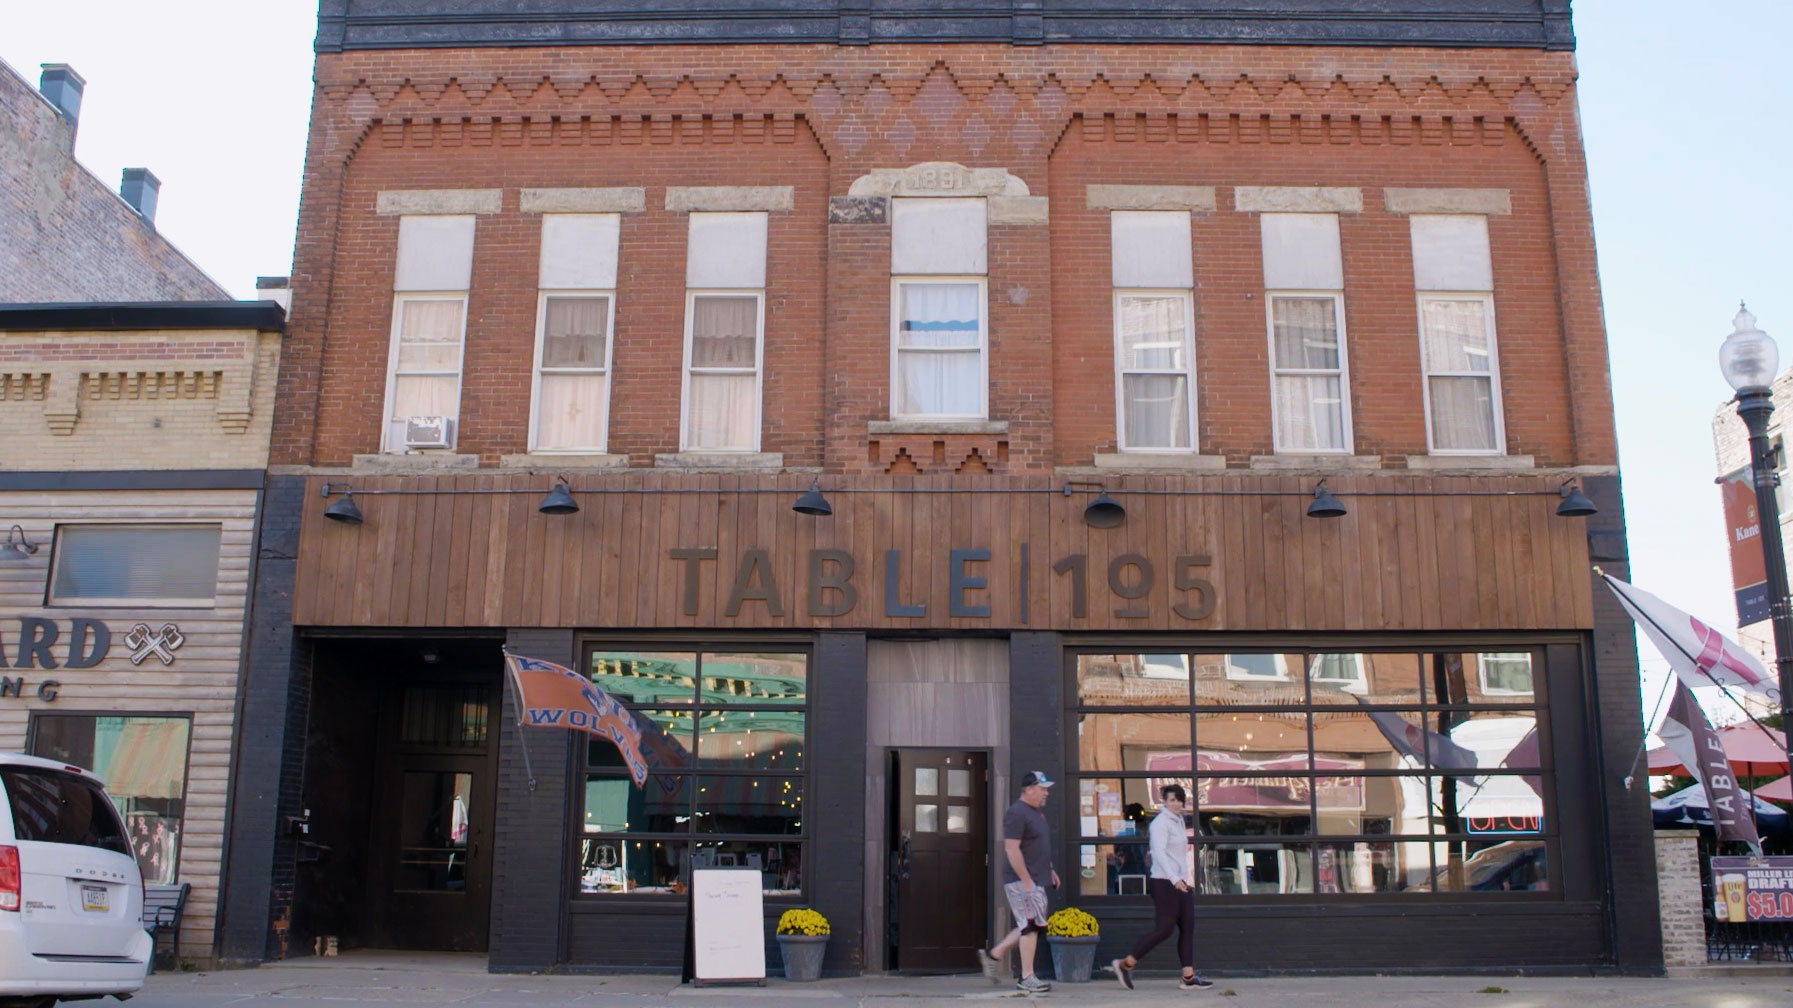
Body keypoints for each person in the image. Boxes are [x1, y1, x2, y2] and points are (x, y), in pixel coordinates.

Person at [1108, 784, 1213, 991]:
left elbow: (1178, 855)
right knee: (1164, 929)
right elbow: (1159, 853)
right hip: (1164, 882)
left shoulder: (1178, 821)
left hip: (1180, 882)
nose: (1176, 804)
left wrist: (1184, 879)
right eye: (1172, 800)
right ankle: (1125, 964)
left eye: (1179, 800)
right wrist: (1174, 879)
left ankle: (1188, 977)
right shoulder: (1160, 824)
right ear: (1164, 802)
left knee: (1188, 926)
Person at [977, 770, 1059, 994]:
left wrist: (1050, 870)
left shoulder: (1036, 813)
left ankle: (994, 955)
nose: (1046, 793)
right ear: (1029, 789)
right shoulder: (1016, 813)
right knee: (1031, 927)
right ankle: (1027, 978)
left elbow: (1038, 845)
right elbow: (1011, 849)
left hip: (1035, 878)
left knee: (1029, 925)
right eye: (1042, 789)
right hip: (1022, 881)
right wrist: (1026, 881)